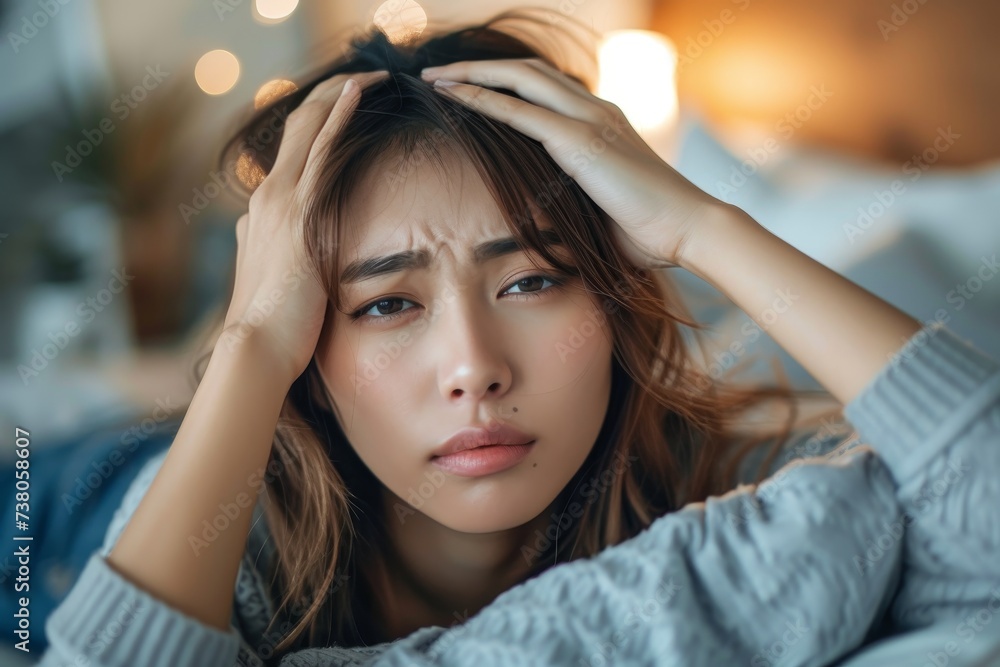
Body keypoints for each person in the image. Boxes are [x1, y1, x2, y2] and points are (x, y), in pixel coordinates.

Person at [37, 9, 1000, 667]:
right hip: (92, 490)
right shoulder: (243, 526)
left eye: (533, 280)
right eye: (386, 305)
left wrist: (703, 227)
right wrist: (247, 341)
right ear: (308, 356)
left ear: (615, 298)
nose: (474, 369)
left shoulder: (731, 490)